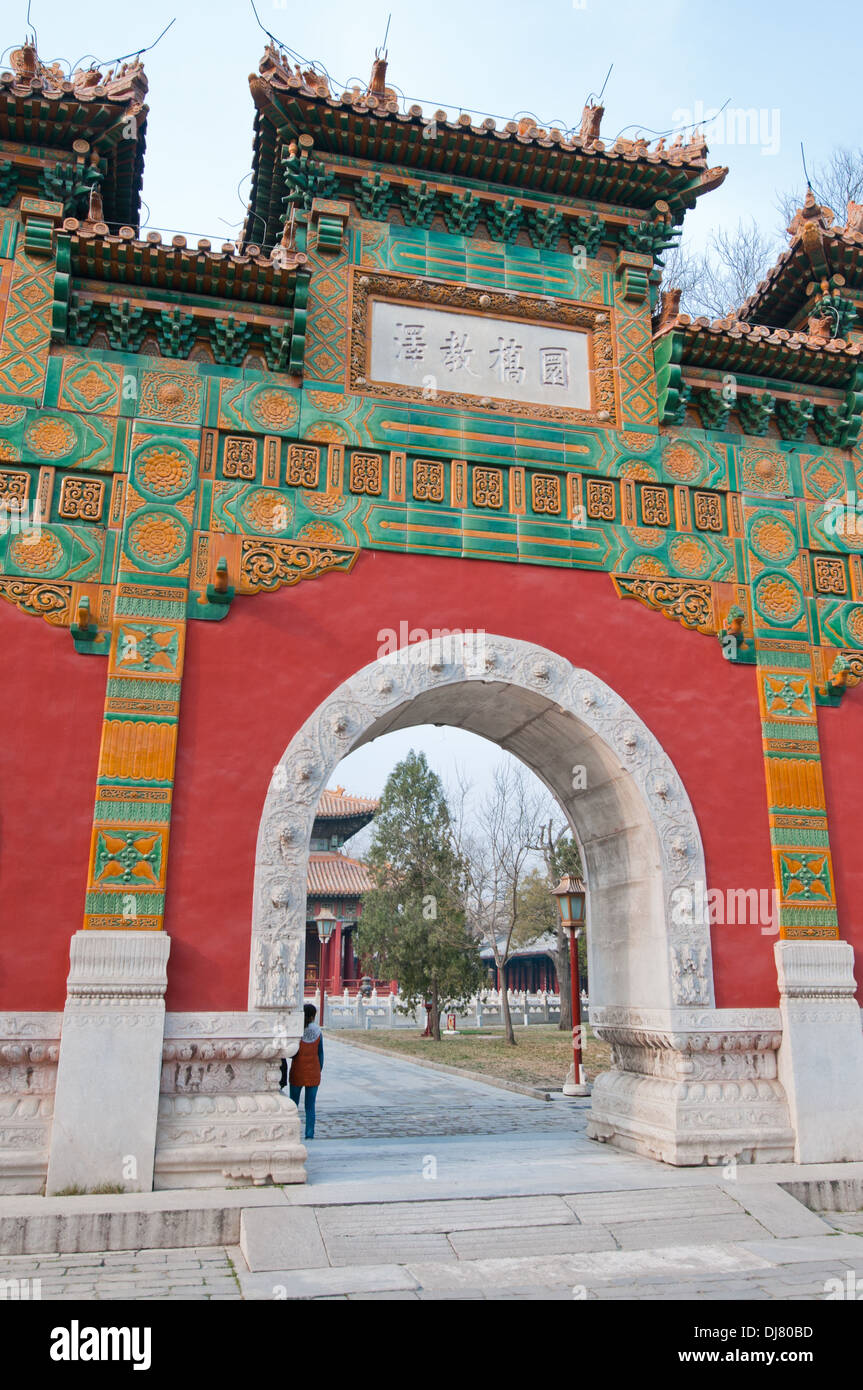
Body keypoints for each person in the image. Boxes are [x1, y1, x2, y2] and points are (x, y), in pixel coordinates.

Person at [282, 1003, 324, 1141]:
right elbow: (321, 1054)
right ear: (313, 1016)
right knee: (310, 1106)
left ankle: (291, 1132)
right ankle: (309, 1134)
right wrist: (318, 1069)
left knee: (293, 1103)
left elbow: (291, 1052)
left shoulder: (297, 1031)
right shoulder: (318, 1032)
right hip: (313, 1072)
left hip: (297, 1071)